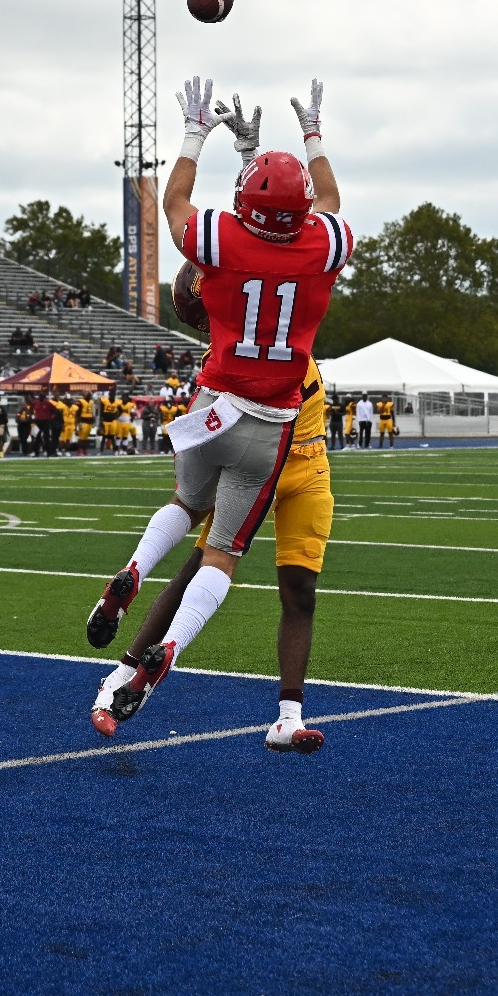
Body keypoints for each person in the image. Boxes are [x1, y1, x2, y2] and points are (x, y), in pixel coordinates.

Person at [88, 76, 350, 753]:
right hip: (273, 430)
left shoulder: (222, 255)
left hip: (230, 413)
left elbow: (217, 214)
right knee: (216, 560)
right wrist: (309, 138)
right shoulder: (316, 251)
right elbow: (309, 213)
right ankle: (139, 667)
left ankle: (134, 600)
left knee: (187, 514)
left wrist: (205, 139)